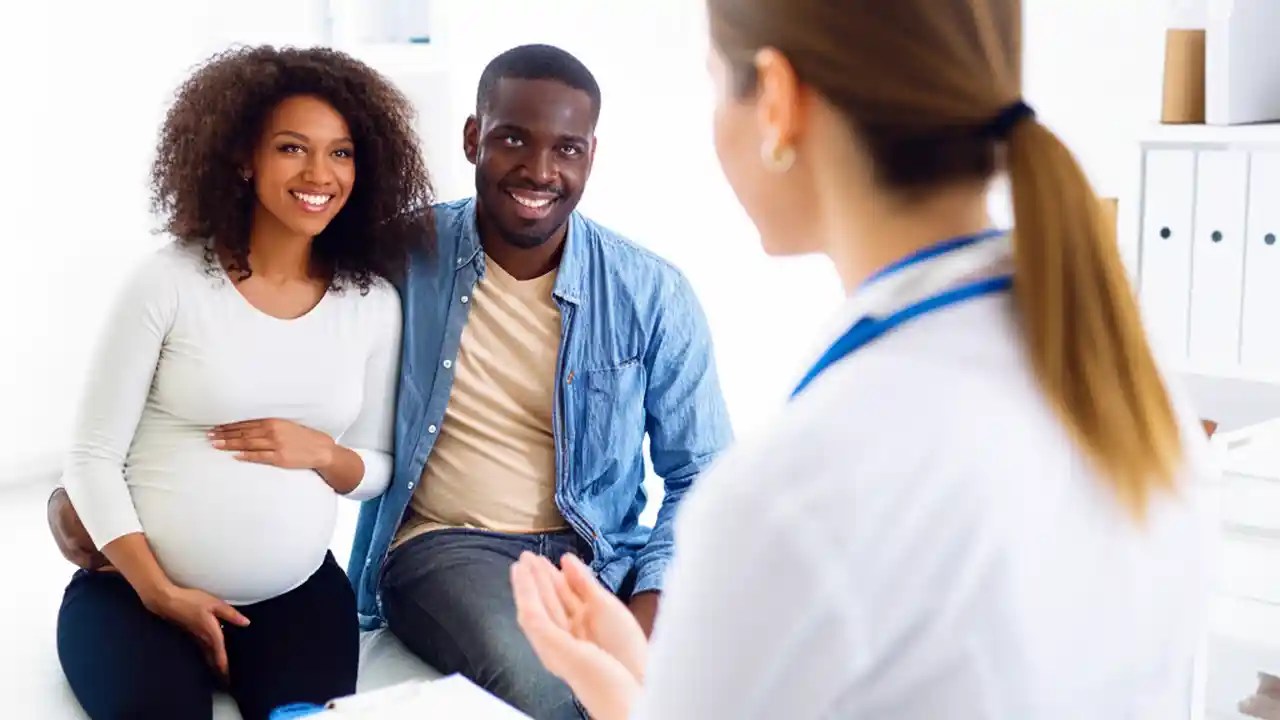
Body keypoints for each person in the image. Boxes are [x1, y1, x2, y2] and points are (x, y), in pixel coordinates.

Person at [509, 2, 1215, 719]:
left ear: (778, 102)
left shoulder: (792, 493)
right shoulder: (1138, 396)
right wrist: (640, 680)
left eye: (719, 83)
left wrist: (617, 699)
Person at [344, 44, 733, 719]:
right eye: (514, 140)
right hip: (447, 545)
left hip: (602, 552)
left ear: (590, 156)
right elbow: (267, 317)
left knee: (725, 674)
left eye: (568, 149)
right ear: (474, 139)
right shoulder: (402, 255)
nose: (540, 170)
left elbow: (701, 473)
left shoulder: (650, 291)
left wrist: (649, 608)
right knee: (552, 691)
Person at [46, 45, 432, 720]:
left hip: (296, 599)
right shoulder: (168, 281)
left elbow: (374, 469)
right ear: (242, 158)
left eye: (341, 153)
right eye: (292, 148)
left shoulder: (374, 304)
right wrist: (161, 592)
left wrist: (318, 451)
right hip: (136, 595)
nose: (320, 173)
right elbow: (89, 457)